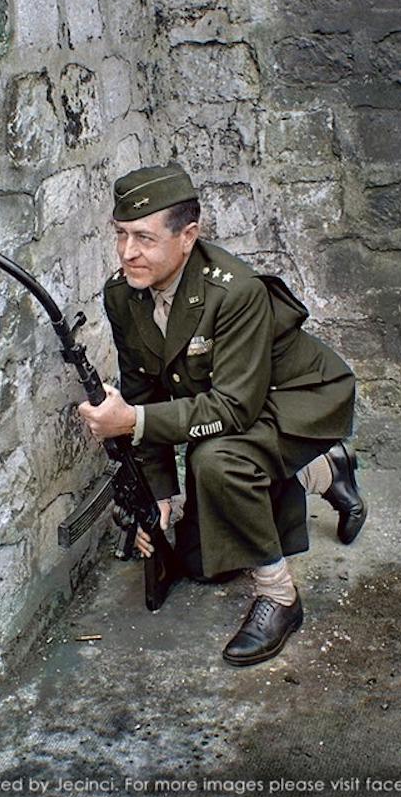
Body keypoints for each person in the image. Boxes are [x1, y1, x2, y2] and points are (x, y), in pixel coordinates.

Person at [78, 164, 366, 664]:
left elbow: (234, 408)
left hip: (298, 396)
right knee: (200, 562)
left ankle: (279, 596)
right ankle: (322, 469)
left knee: (216, 460)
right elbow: (143, 388)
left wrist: (134, 424)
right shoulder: (123, 293)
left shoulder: (234, 290)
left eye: (144, 238)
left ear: (188, 237)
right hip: (238, 401)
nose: (128, 253)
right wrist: (163, 490)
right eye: (121, 236)